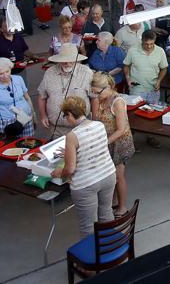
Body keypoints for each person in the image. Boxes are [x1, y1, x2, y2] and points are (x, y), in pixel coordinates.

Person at [49, 96, 117, 238]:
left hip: (86, 184)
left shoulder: (72, 136)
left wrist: (58, 172)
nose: (66, 119)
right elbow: (94, 148)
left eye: (65, 116)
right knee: (106, 213)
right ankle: (110, 247)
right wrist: (69, 152)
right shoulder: (99, 125)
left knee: (88, 225)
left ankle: (92, 256)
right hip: (108, 175)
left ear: (70, 114)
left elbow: (70, 169)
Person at [89, 73, 134, 217]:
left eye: (97, 92)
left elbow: (121, 129)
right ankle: (113, 200)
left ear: (107, 87)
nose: (95, 95)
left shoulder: (118, 101)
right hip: (104, 140)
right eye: (93, 92)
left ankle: (122, 207)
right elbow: (95, 120)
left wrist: (104, 142)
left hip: (119, 143)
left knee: (118, 175)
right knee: (108, 175)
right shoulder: (97, 99)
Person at [123, 30, 168, 104]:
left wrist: (159, 81)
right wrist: (128, 78)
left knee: (152, 112)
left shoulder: (160, 51)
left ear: (155, 40)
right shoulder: (133, 50)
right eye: (146, 44)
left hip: (153, 89)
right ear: (142, 41)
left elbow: (164, 68)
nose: (149, 46)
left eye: (151, 44)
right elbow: (126, 65)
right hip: (136, 88)